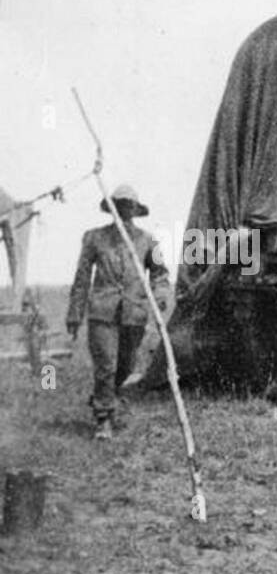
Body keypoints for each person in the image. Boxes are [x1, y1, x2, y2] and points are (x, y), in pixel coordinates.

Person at [65, 184, 171, 440]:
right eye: (119, 205)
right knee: (106, 366)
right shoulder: (94, 238)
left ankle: (105, 397)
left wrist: (159, 295)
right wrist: (75, 313)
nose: (124, 210)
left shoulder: (148, 240)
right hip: (102, 313)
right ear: (111, 209)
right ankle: (103, 419)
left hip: (133, 314)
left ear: (135, 210)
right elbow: (81, 278)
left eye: (129, 206)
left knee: (125, 366)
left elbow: (160, 274)